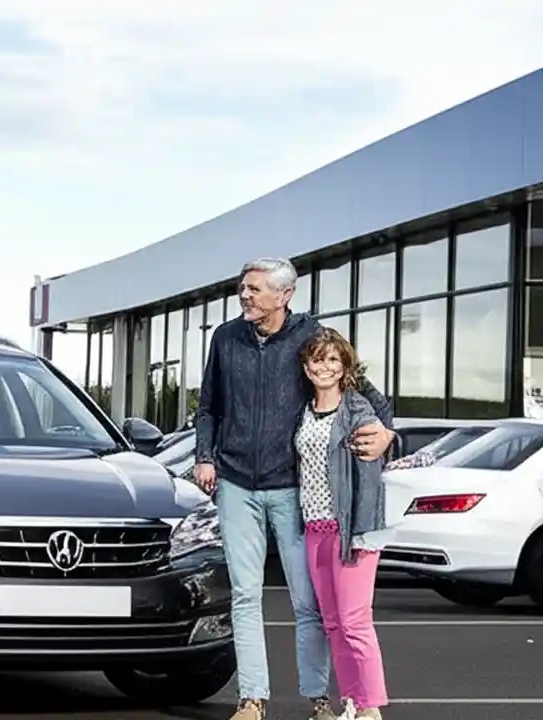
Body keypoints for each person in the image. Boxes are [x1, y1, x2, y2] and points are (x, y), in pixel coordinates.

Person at [192, 257, 394, 720]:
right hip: (236, 484)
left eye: (256, 289)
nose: (245, 295)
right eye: (243, 287)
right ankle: (252, 698)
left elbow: (371, 395)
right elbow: (209, 407)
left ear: (285, 296)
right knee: (245, 595)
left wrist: (386, 434)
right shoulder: (225, 338)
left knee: (309, 602)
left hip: (291, 490)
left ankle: (318, 698)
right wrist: (205, 457)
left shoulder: (310, 338)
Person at [295, 327, 391, 719]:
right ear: (306, 365)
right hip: (314, 529)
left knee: (355, 622)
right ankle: (350, 702)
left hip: (350, 531)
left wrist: (363, 534)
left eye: (333, 359)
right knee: (333, 623)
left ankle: (370, 709)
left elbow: (370, 473)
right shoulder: (303, 410)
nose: (325, 367)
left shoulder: (356, 411)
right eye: (318, 359)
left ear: (345, 367)